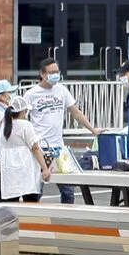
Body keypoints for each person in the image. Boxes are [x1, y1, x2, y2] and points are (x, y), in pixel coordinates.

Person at [21, 57, 83, 204]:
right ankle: (33, 215)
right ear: (42, 74)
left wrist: (93, 129)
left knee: (68, 190)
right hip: (40, 147)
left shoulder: (61, 90)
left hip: (59, 148)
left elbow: (75, 111)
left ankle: (66, 215)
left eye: (57, 72)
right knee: (36, 189)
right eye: (52, 72)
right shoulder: (31, 94)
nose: (56, 75)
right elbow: (22, 116)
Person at [0, 80, 43, 203]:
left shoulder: (3, 113)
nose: (11, 95)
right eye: (9, 92)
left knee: (10, 194)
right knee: (5, 196)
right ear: (1, 96)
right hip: (4, 158)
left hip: (7, 157)